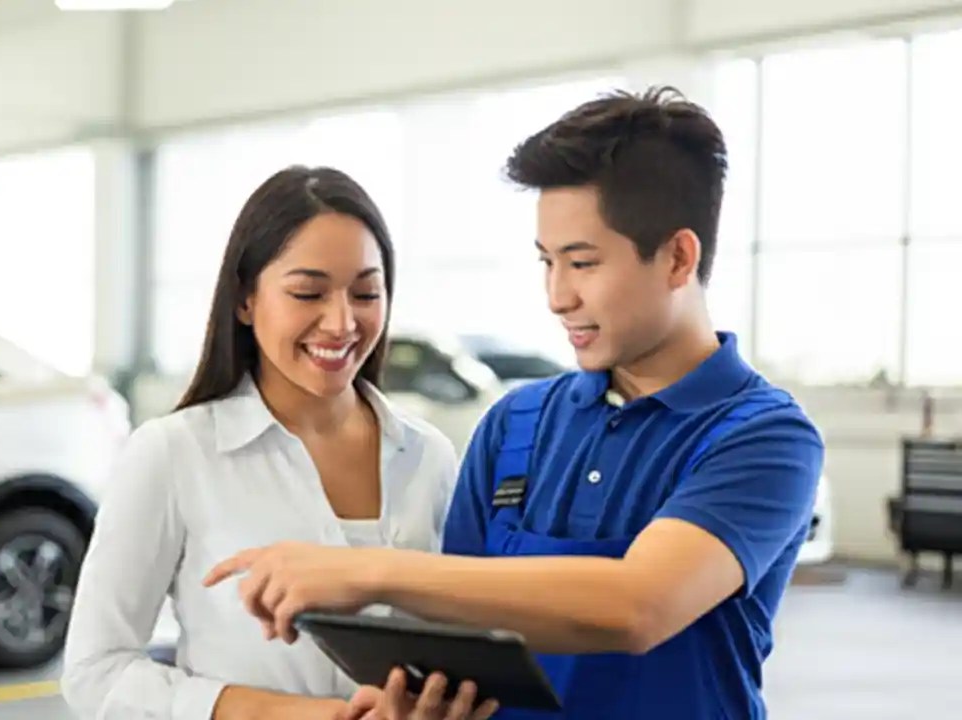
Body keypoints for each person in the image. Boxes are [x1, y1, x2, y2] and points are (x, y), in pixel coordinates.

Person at [204, 87, 825, 719]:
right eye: (546, 262)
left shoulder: (763, 436)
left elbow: (639, 605)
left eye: (582, 263)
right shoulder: (516, 424)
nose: (557, 296)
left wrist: (368, 574)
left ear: (677, 257)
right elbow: (459, 633)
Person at [60, 165, 496, 720]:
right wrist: (288, 713)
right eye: (308, 293)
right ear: (245, 300)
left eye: (366, 293)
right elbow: (97, 670)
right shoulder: (175, 453)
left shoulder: (427, 456)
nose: (341, 323)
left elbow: (456, 640)